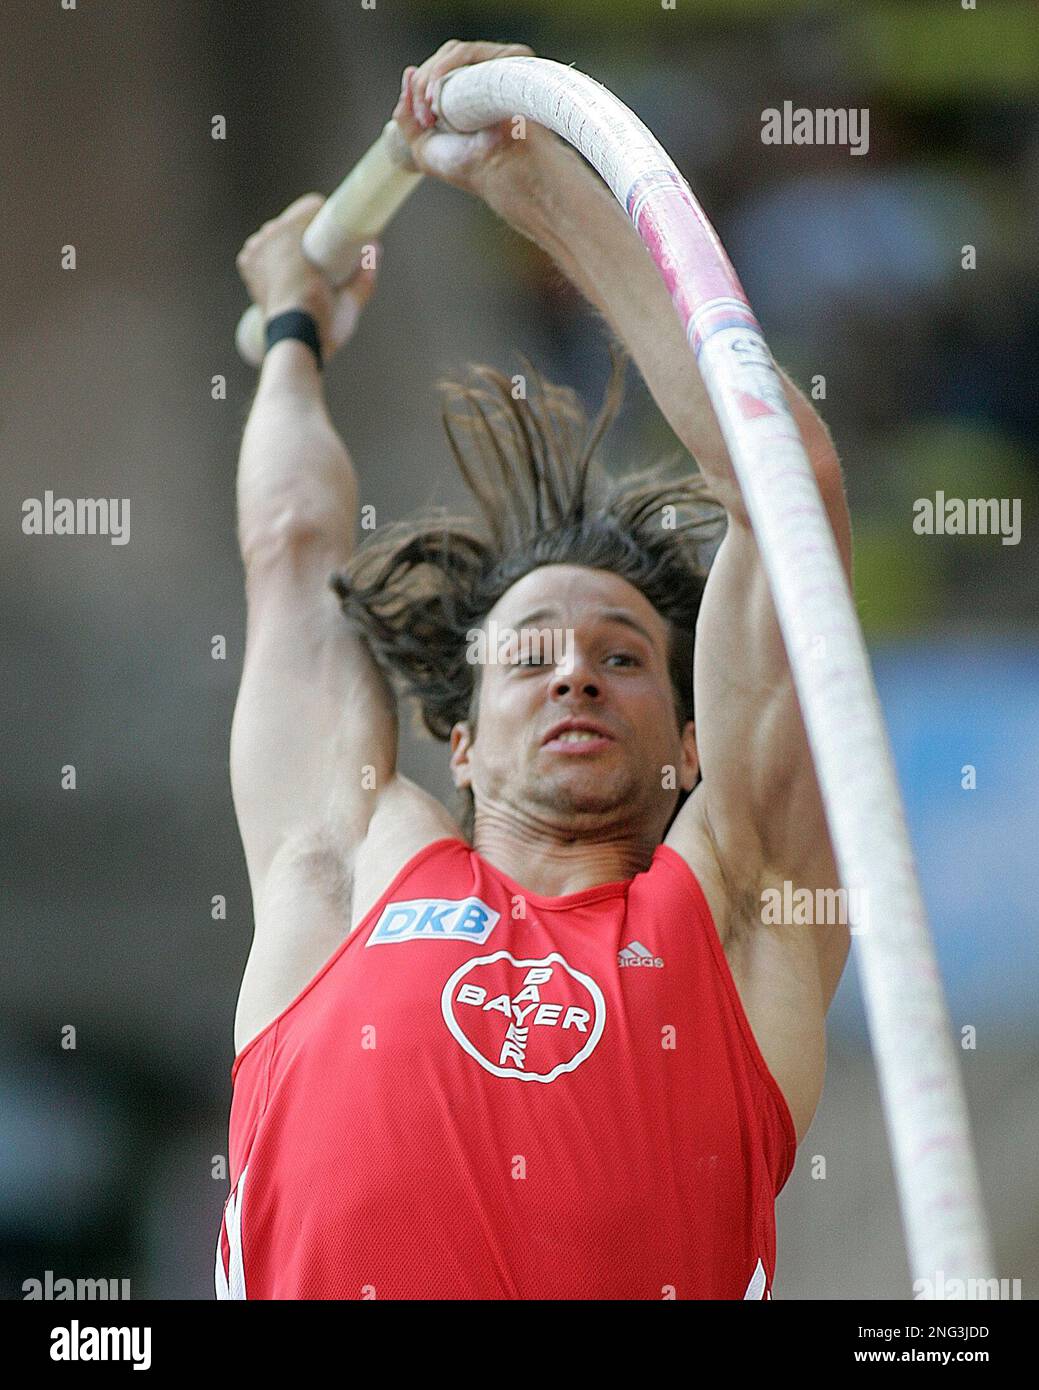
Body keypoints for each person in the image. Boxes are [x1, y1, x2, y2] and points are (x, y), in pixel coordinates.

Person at [218, 39, 853, 1301]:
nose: (575, 677)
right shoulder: (351, 861)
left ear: (688, 741)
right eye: (532, 656)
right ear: (457, 738)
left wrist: (539, 187)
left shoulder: (737, 907)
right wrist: (295, 328)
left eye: (622, 657)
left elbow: (789, 492)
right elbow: (293, 551)